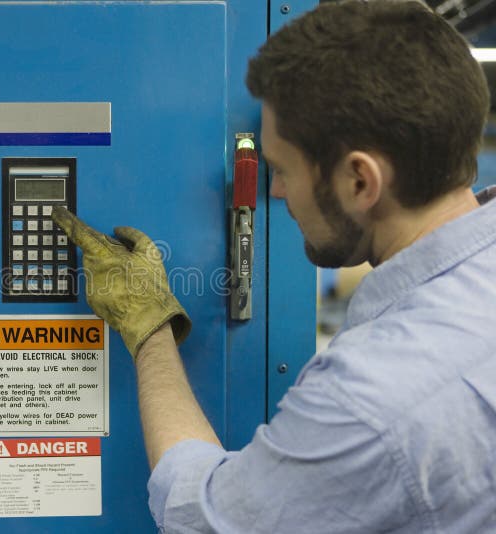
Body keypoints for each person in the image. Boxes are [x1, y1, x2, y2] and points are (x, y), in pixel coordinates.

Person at [51, 0, 496, 532]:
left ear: (360, 181)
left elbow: (207, 518)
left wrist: (147, 328)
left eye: (282, 169)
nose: (276, 192)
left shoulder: (371, 398)